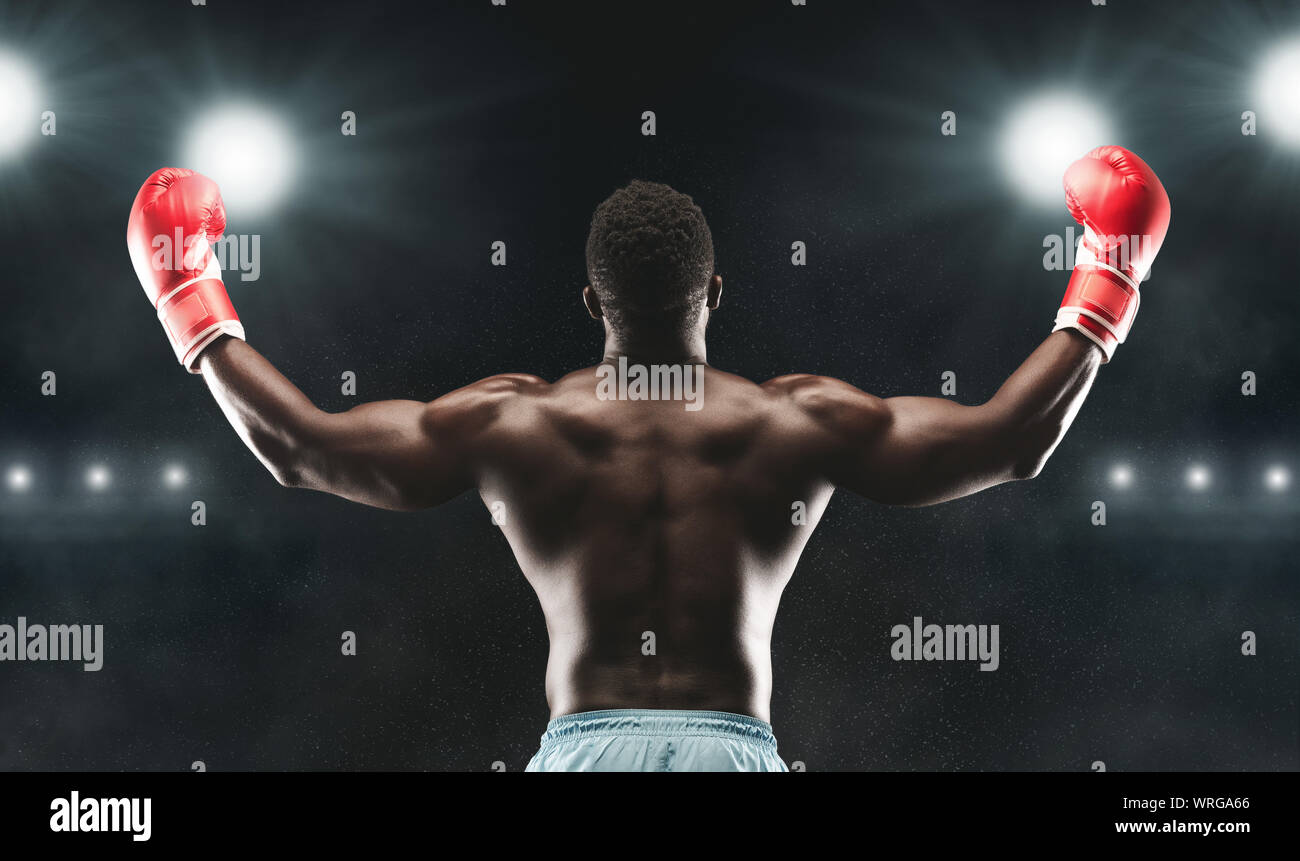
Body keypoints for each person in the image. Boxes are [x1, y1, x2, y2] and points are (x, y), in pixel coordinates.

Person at [125, 148, 1170, 771]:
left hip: (582, 747)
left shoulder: (517, 424)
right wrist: (1106, 276)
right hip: (730, 748)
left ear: (591, 304)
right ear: (716, 294)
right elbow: (1009, 441)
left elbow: (301, 449)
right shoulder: (793, 421)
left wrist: (192, 301)